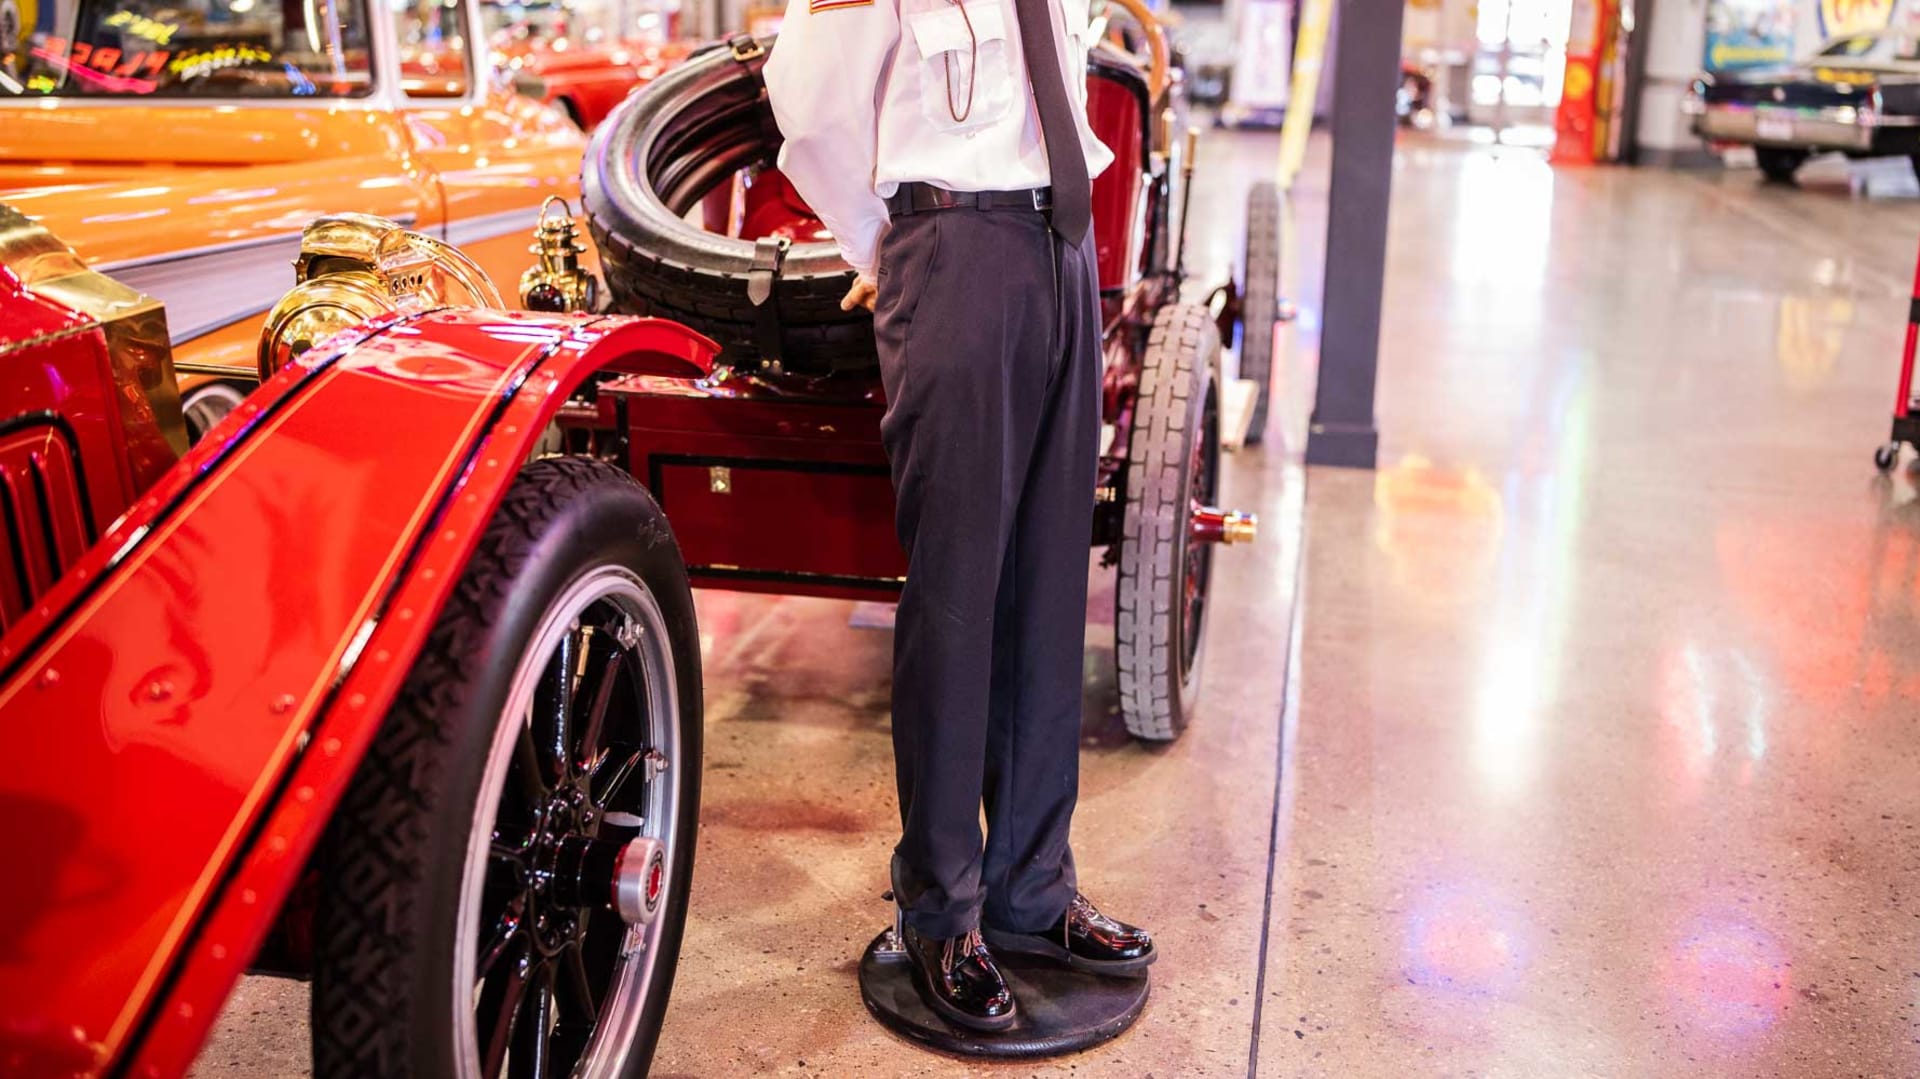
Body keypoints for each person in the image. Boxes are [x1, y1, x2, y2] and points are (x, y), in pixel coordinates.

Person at [763, 0, 1156, 1033]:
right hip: (956, 247)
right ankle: (942, 909)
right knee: (958, 596)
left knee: (1047, 585)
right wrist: (891, 244)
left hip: (1064, 249)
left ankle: (1032, 888)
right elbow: (809, 111)